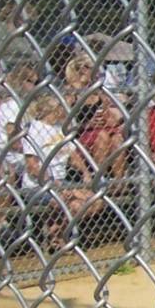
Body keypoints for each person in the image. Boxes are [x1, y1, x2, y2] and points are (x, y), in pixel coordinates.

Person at [21, 92, 101, 246]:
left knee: (96, 201)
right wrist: (52, 184)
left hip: (62, 182)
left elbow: (73, 156)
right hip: (37, 186)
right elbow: (32, 167)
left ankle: (56, 231)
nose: (65, 111)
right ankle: (59, 237)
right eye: (61, 108)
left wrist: (85, 172)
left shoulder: (59, 129)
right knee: (76, 205)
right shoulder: (33, 130)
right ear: (54, 110)